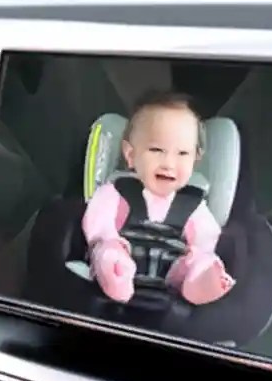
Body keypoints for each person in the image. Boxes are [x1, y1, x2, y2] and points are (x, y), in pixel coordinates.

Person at [81, 90, 235, 305]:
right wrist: (108, 242)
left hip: (173, 272)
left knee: (198, 261)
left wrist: (199, 255)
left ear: (195, 160)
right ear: (131, 155)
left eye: (182, 154)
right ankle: (114, 275)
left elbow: (206, 237)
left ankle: (199, 283)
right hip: (124, 255)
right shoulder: (117, 191)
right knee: (106, 251)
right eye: (156, 150)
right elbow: (98, 223)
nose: (169, 163)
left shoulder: (194, 204)